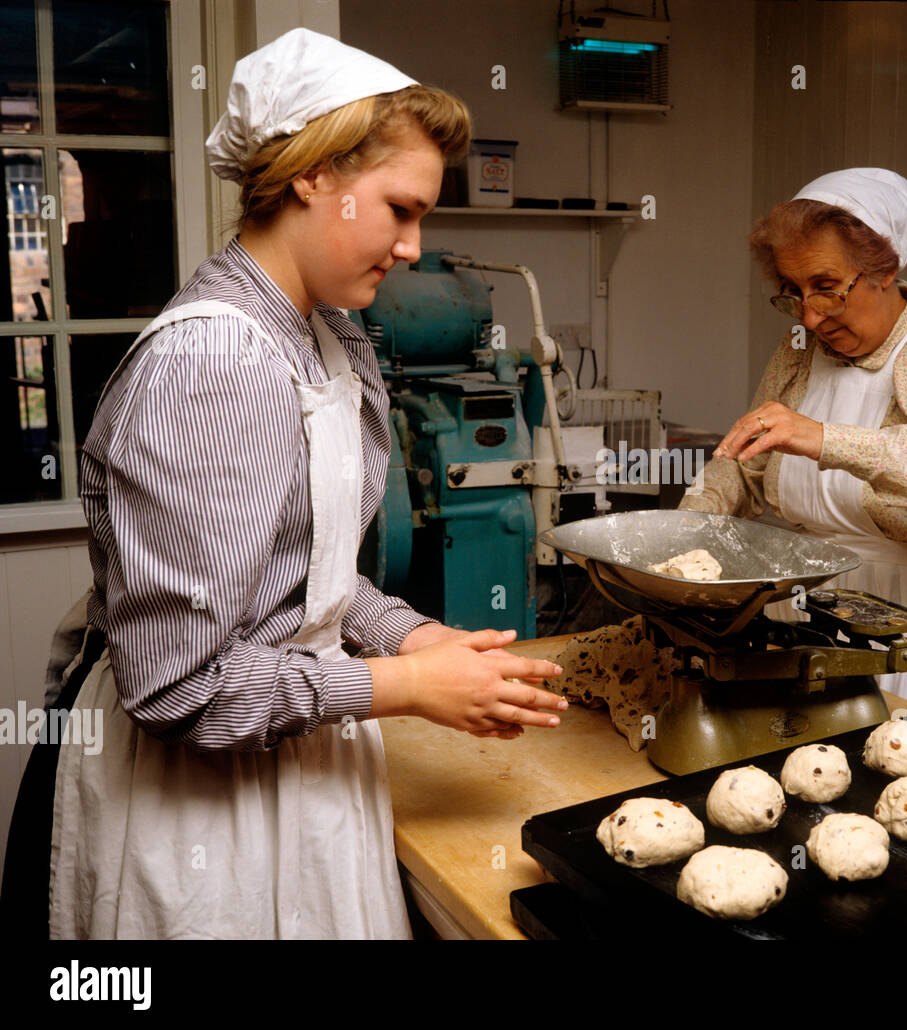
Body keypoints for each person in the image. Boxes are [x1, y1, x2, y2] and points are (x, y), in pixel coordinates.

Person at [1, 28, 567, 940]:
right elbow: (178, 688)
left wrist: (421, 639)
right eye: (400, 209)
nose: (416, 247)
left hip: (295, 765)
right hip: (196, 799)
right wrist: (403, 690)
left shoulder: (330, 338)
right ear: (314, 175)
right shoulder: (216, 362)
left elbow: (308, 585)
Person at [681, 168, 907, 709]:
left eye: (826, 287)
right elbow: (746, 459)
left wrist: (828, 440)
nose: (810, 314)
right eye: (792, 293)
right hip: (814, 610)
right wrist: (684, 534)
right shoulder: (801, 346)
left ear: (885, 268)